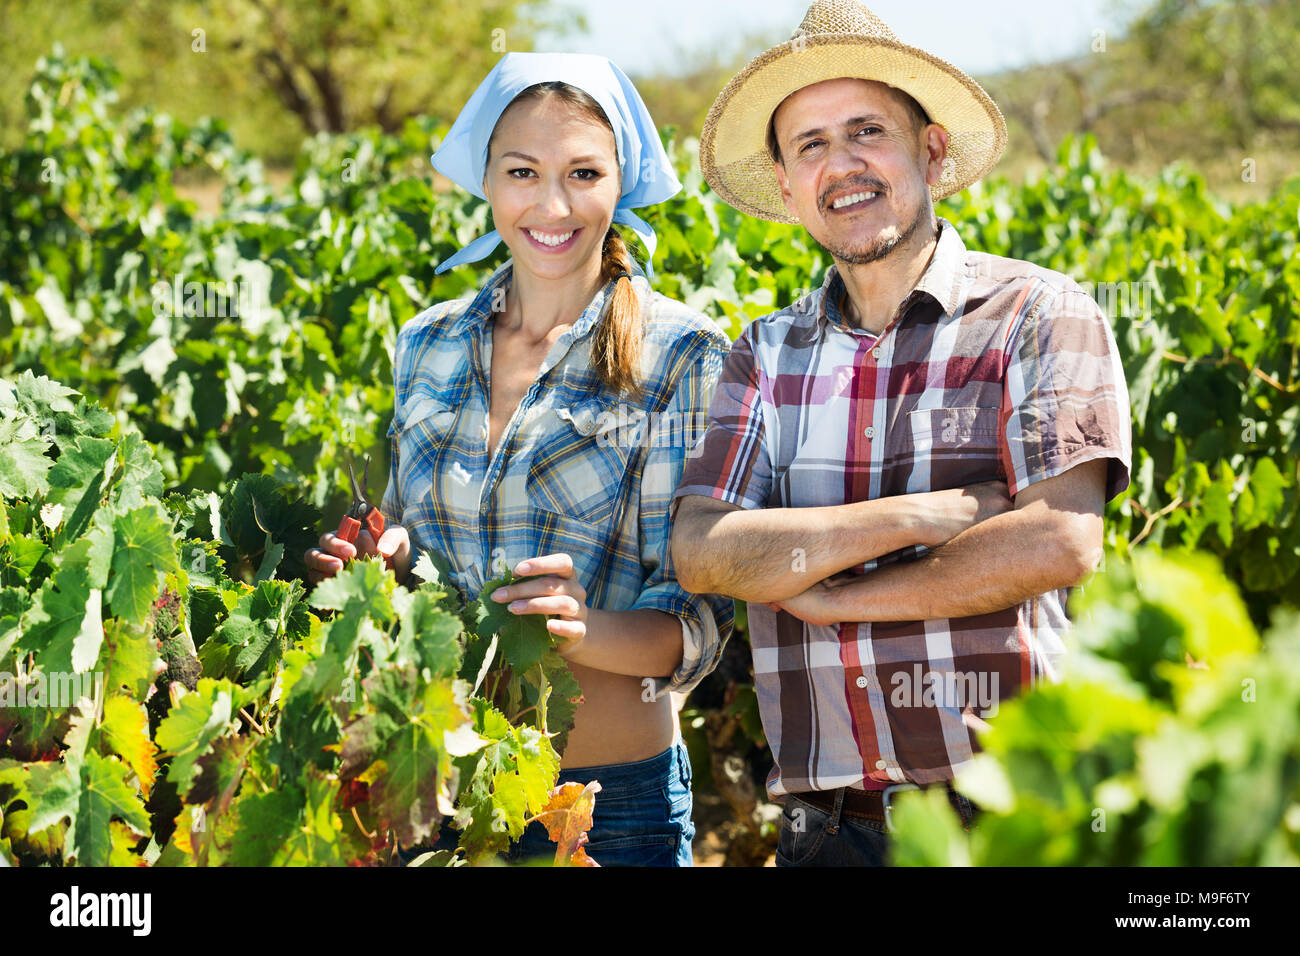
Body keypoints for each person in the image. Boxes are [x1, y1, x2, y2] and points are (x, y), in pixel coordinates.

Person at [672, 0, 1132, 866]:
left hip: (1009, 820)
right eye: (809, 144)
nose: (840, 164)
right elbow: (703, 550)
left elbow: (1059, 540)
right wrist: (925, 516)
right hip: (826, 832)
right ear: (786, 186)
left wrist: (833, 597)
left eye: (866, 131)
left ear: (930, 150)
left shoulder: (1039, 313)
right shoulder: (764, 354)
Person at [305, 52, 733, 867]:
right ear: (487, 181)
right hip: (428, 783)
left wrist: (583, 628)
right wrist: (385, 558)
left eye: (583, 172)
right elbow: (419, 543)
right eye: (522, 171)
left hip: (606, 808)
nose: (552, 204)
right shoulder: (425, 342)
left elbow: (697, 624)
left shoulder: (680, 355)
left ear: (624, 180)